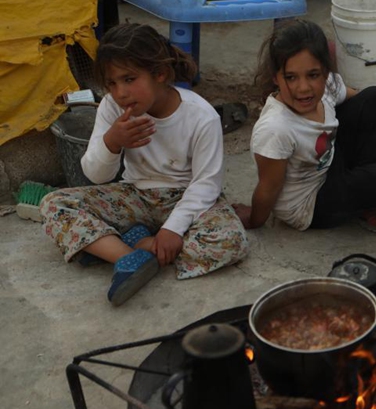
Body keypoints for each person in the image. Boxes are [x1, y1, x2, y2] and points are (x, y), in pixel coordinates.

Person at [40, 23, 248, 307]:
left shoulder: (201, 116)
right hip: (135, 195)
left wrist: (173, 228)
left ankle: (119, 244)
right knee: (55, 204)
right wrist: (112, 142)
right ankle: (127, 255)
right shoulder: (112, 108)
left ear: (159, 74)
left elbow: (206, 184)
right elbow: (95, 176)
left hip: (187, 199)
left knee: (231, 241)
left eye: (129, 79)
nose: (120, 92)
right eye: (112, 84)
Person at [232, 20, 376, 235]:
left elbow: (364, 103)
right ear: (275, 77)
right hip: (311, 203)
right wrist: (253, 219)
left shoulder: (327, 86)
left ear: (325, 72)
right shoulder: (276, 129)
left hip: (328, 163)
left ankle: (369, 187)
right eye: (291, 77)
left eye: (313, 75)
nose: (303, 87)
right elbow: (269, 187)